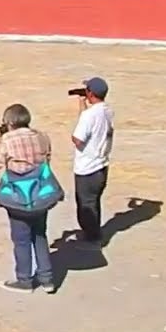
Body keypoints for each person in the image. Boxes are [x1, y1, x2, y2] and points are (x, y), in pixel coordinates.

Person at [0, 103, 56, 293]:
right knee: (40, 235)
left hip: (18, 196)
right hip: (41, 193)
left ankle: (24, 279)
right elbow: (47, 160)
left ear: (9, 122)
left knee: (21, 239)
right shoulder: (42, 136)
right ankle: (47, 279)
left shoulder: (8, 140)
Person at [71, 77, 114, 246]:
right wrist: (83, 104)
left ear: (90, 93)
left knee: (86, 206)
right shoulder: (108, 111)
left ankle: (93, 238)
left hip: (87, 168)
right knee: (94, 202)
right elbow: (90, 122)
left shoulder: (89, 116)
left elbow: (78, 139)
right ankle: (94, 232)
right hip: (101, 165)